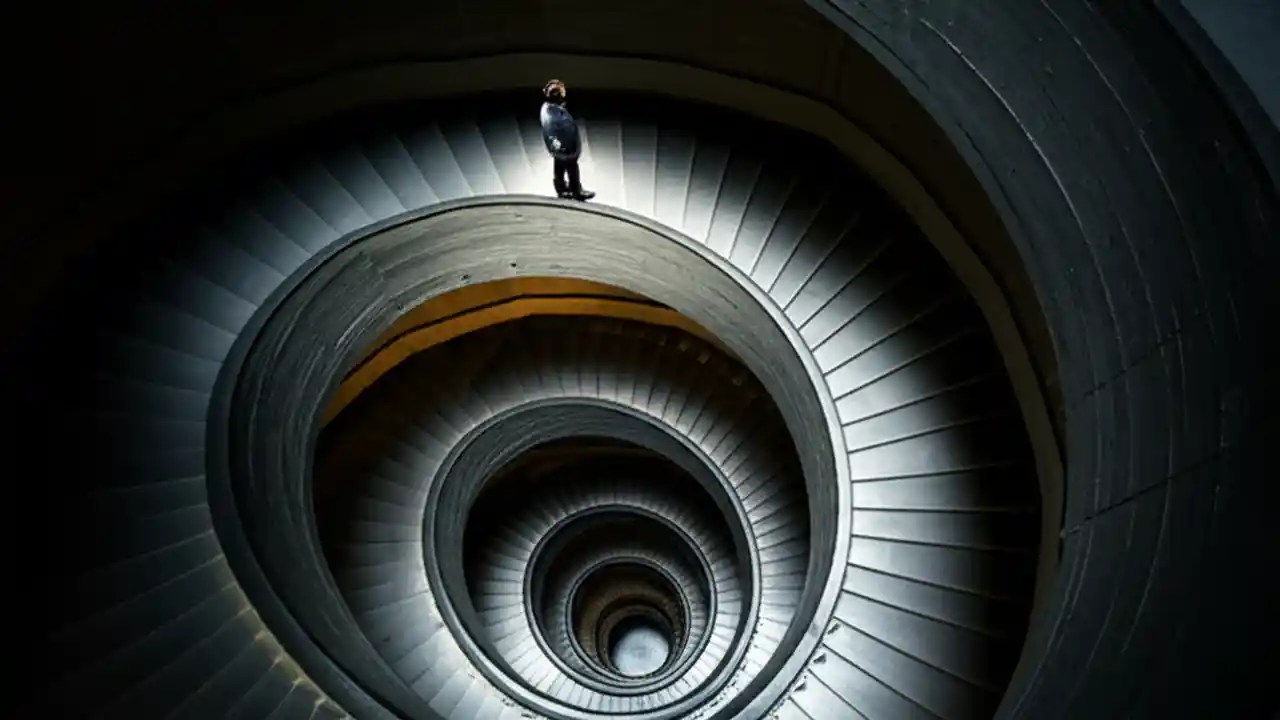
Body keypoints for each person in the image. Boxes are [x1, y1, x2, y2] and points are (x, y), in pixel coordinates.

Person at [539, 79, 594, 200]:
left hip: (561, 148)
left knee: (559, 167)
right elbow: (554, 129)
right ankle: (576, 191)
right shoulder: (551, 112)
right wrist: (564, 148)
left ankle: (562, 189)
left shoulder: (552, 109)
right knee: (572, 168)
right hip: (565, 148)